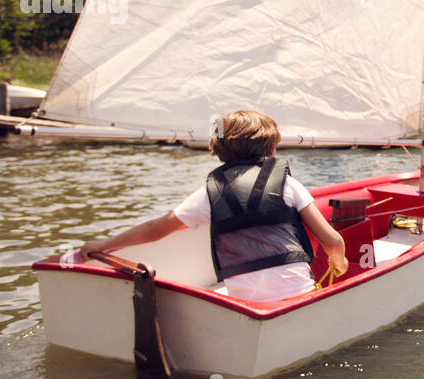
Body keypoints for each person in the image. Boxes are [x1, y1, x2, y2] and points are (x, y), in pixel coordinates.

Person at [80, 110, 348, 301]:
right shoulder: (289, 185)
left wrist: (103, 245)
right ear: (271, 148)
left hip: (244, 302)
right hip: (296, 293)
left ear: (218, 150)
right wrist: (339, 263)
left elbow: (154, 230)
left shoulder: (210, 192)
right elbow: (333, 242)